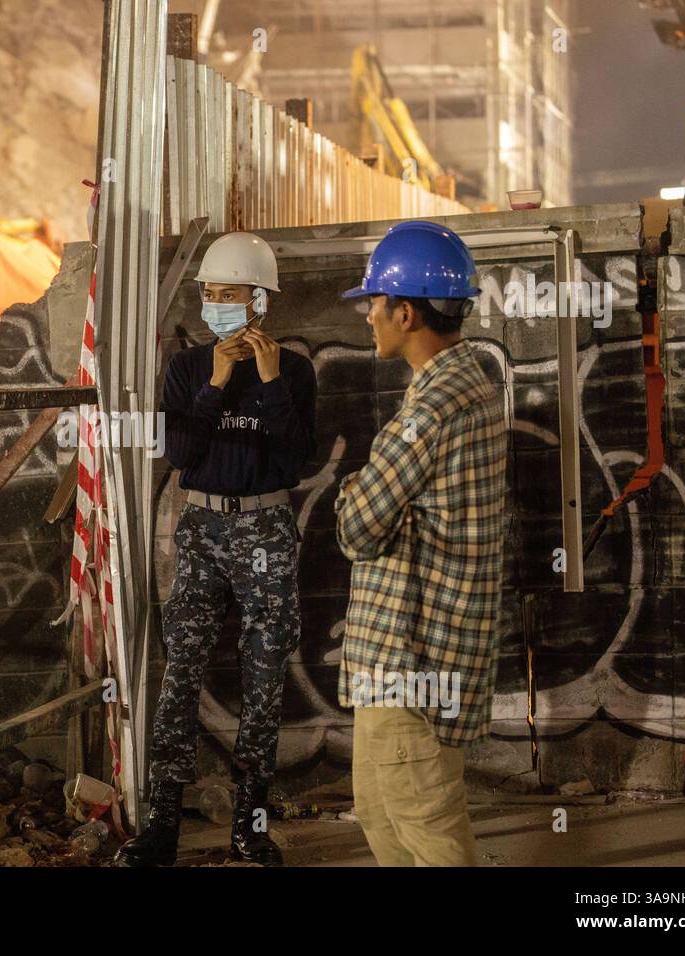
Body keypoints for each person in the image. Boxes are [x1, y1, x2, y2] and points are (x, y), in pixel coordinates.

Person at [114, 232, 317, 867]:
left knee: (263, 681)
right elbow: (183, 456)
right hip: (202, 529)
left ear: (259, 301)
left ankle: (250, 832)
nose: (216, 305)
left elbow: (293, 455)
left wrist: (265, 378)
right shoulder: (187, 368)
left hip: (267, 531)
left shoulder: (296, 370)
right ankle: (161, 830)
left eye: (228, 295)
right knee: (181, 676)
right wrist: (219, 382)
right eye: (209, 294)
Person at [335, 220, 507, 866]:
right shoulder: (471, 385)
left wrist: (355, 488)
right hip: (404, 668)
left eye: (373, 305)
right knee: (384, 817)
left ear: (405, 312)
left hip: (410, 664)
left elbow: (356, 523)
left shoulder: (431, 409)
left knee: (427, 828)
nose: (369, 318)